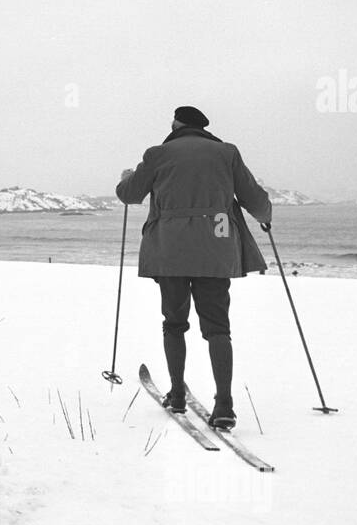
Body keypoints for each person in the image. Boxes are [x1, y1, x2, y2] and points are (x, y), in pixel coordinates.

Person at [115, 106, 273, 429]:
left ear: (176, 124)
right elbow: (254, 199)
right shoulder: (226, 153)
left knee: (174, 322)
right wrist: (266, 216)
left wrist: (126, 178)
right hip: (215, 248)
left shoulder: (158, 154)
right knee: (218, 327)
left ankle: (176, 394)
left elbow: (130, 195)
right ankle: (225, 403)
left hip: (170, 251)